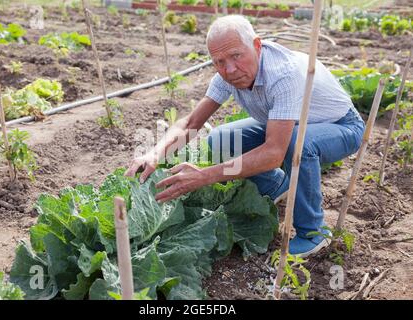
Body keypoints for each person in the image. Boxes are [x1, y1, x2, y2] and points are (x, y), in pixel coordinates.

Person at [125, 15, 365, 258]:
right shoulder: (226, 75)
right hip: (288, 122)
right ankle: (277, 186)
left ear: (257, 46)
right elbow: (191, 122)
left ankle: (312, 232)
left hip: (340, 126)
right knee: (221, 139)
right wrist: (155, 153)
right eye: (219, 61)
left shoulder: (283, 75)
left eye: (236, 56)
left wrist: (203, 176)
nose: (229, 69)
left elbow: (273, 154)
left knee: (297, 142)